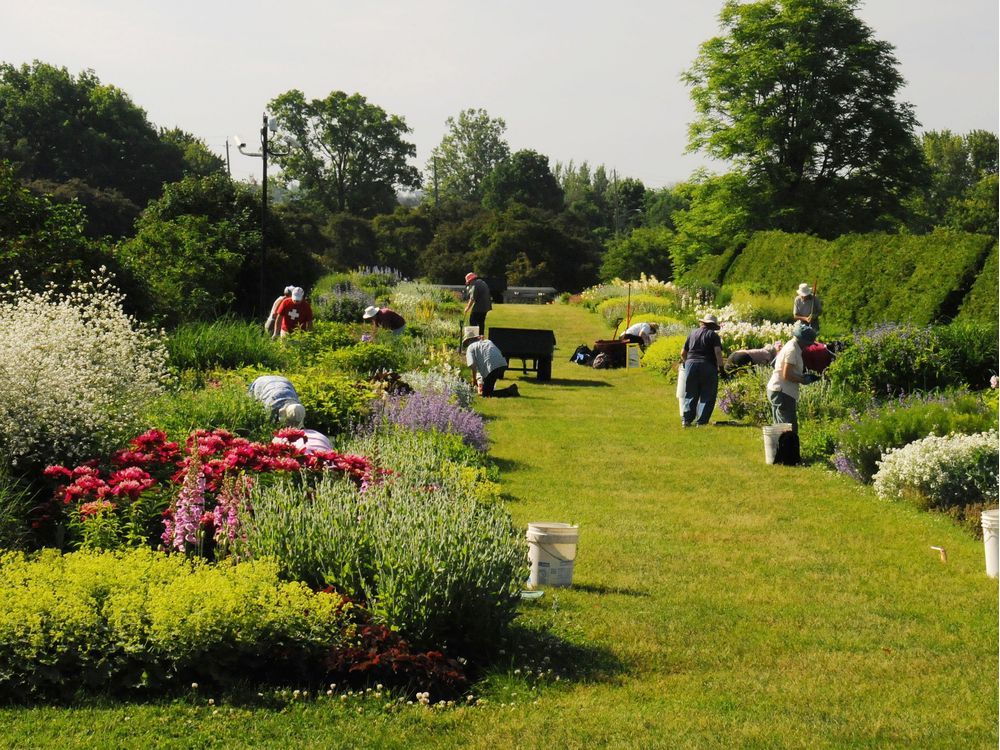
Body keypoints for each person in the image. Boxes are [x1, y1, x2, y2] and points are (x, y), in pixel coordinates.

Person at [766, 322, 819, 433]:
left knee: (781, 428)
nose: (809, 346)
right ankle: (787, 450)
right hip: (782, 392)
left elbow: (775, 364)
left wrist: (801, 376)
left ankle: (781, 449)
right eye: (809, 343)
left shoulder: (792, 345)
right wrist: (803, 380)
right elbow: (787, 374)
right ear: (803, 341)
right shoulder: (792, 350)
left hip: (778, 390)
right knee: (788, 429)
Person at [680, 314, 725, 426]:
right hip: (707, 365)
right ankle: (701, 421)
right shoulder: (713, 336)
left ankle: (686, 420)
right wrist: (721, 368)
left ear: (703, 323)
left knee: (690, 392)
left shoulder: (692, 333)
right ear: (713, 326)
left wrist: (687, 363)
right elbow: (718, 352)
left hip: (691, 364)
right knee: (708, 394)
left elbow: (682, 353)